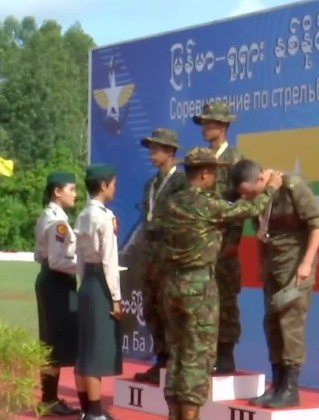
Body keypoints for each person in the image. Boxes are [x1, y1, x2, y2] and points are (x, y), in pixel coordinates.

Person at [156, 147, 282, 420]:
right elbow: (248, 207)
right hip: (199, 286)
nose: (215, 178)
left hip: (172, 284)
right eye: (213, 173)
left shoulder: (171, 203)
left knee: (177, 354)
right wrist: (271, 187)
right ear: (204, 174)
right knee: (197, 359)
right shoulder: (207, 205)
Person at [229, 160, 319, 409]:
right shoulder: (260, 197)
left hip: (295, 267)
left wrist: (306, 263)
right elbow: (261, 232)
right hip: (273, 268)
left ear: (261, 179)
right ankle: (277, 384)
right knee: (272, 324)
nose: (249, 197)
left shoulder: (292, 186)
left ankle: (291, 388)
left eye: (251, 192)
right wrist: (262, 264)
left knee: (290, 324)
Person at [132, 128, 187, 385]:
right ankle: (161, 361)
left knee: (170, 310)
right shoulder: (150, 184)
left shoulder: (182, 183)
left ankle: (175, 364)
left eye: (157, 149)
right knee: (152, 309)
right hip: (150, 256)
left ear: (171, 152)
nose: (152, 153)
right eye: (151, 148)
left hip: (171, 255)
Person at [192, 101, 245, 374]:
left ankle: (226, 355)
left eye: (209, 123)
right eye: (203, 122)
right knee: (203, 300)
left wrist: (233, 243)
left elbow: (240, 206)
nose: (204, 127)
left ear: (223, 126)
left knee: (225, 298)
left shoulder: (234, 161)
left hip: (224, 244)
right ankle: (208, 352)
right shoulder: (201, 159)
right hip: (201, 244)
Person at [32, 171, 86, 416]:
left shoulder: (49, 216)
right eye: (71, 189)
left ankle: (49, 397)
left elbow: (40, 255)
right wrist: (86, 266)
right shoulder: (58, 222)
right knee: (54, 342)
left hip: (50, 280)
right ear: (57, 191)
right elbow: (56, 261)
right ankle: (49, 399)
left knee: (50, 340)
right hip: (57, 281)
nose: (75, 194)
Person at [74, 164, 123, 420]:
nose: (115, 188)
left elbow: (80, 257)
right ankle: (94, 413)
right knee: (95, 353)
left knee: (84, 350)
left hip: (87, 284)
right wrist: (115, 297)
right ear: (103, 185)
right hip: (102, 284)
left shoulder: (82, 215)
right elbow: (109, 261)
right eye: (113, 184)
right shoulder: (104, 217)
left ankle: (87, 409)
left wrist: (86, 282)